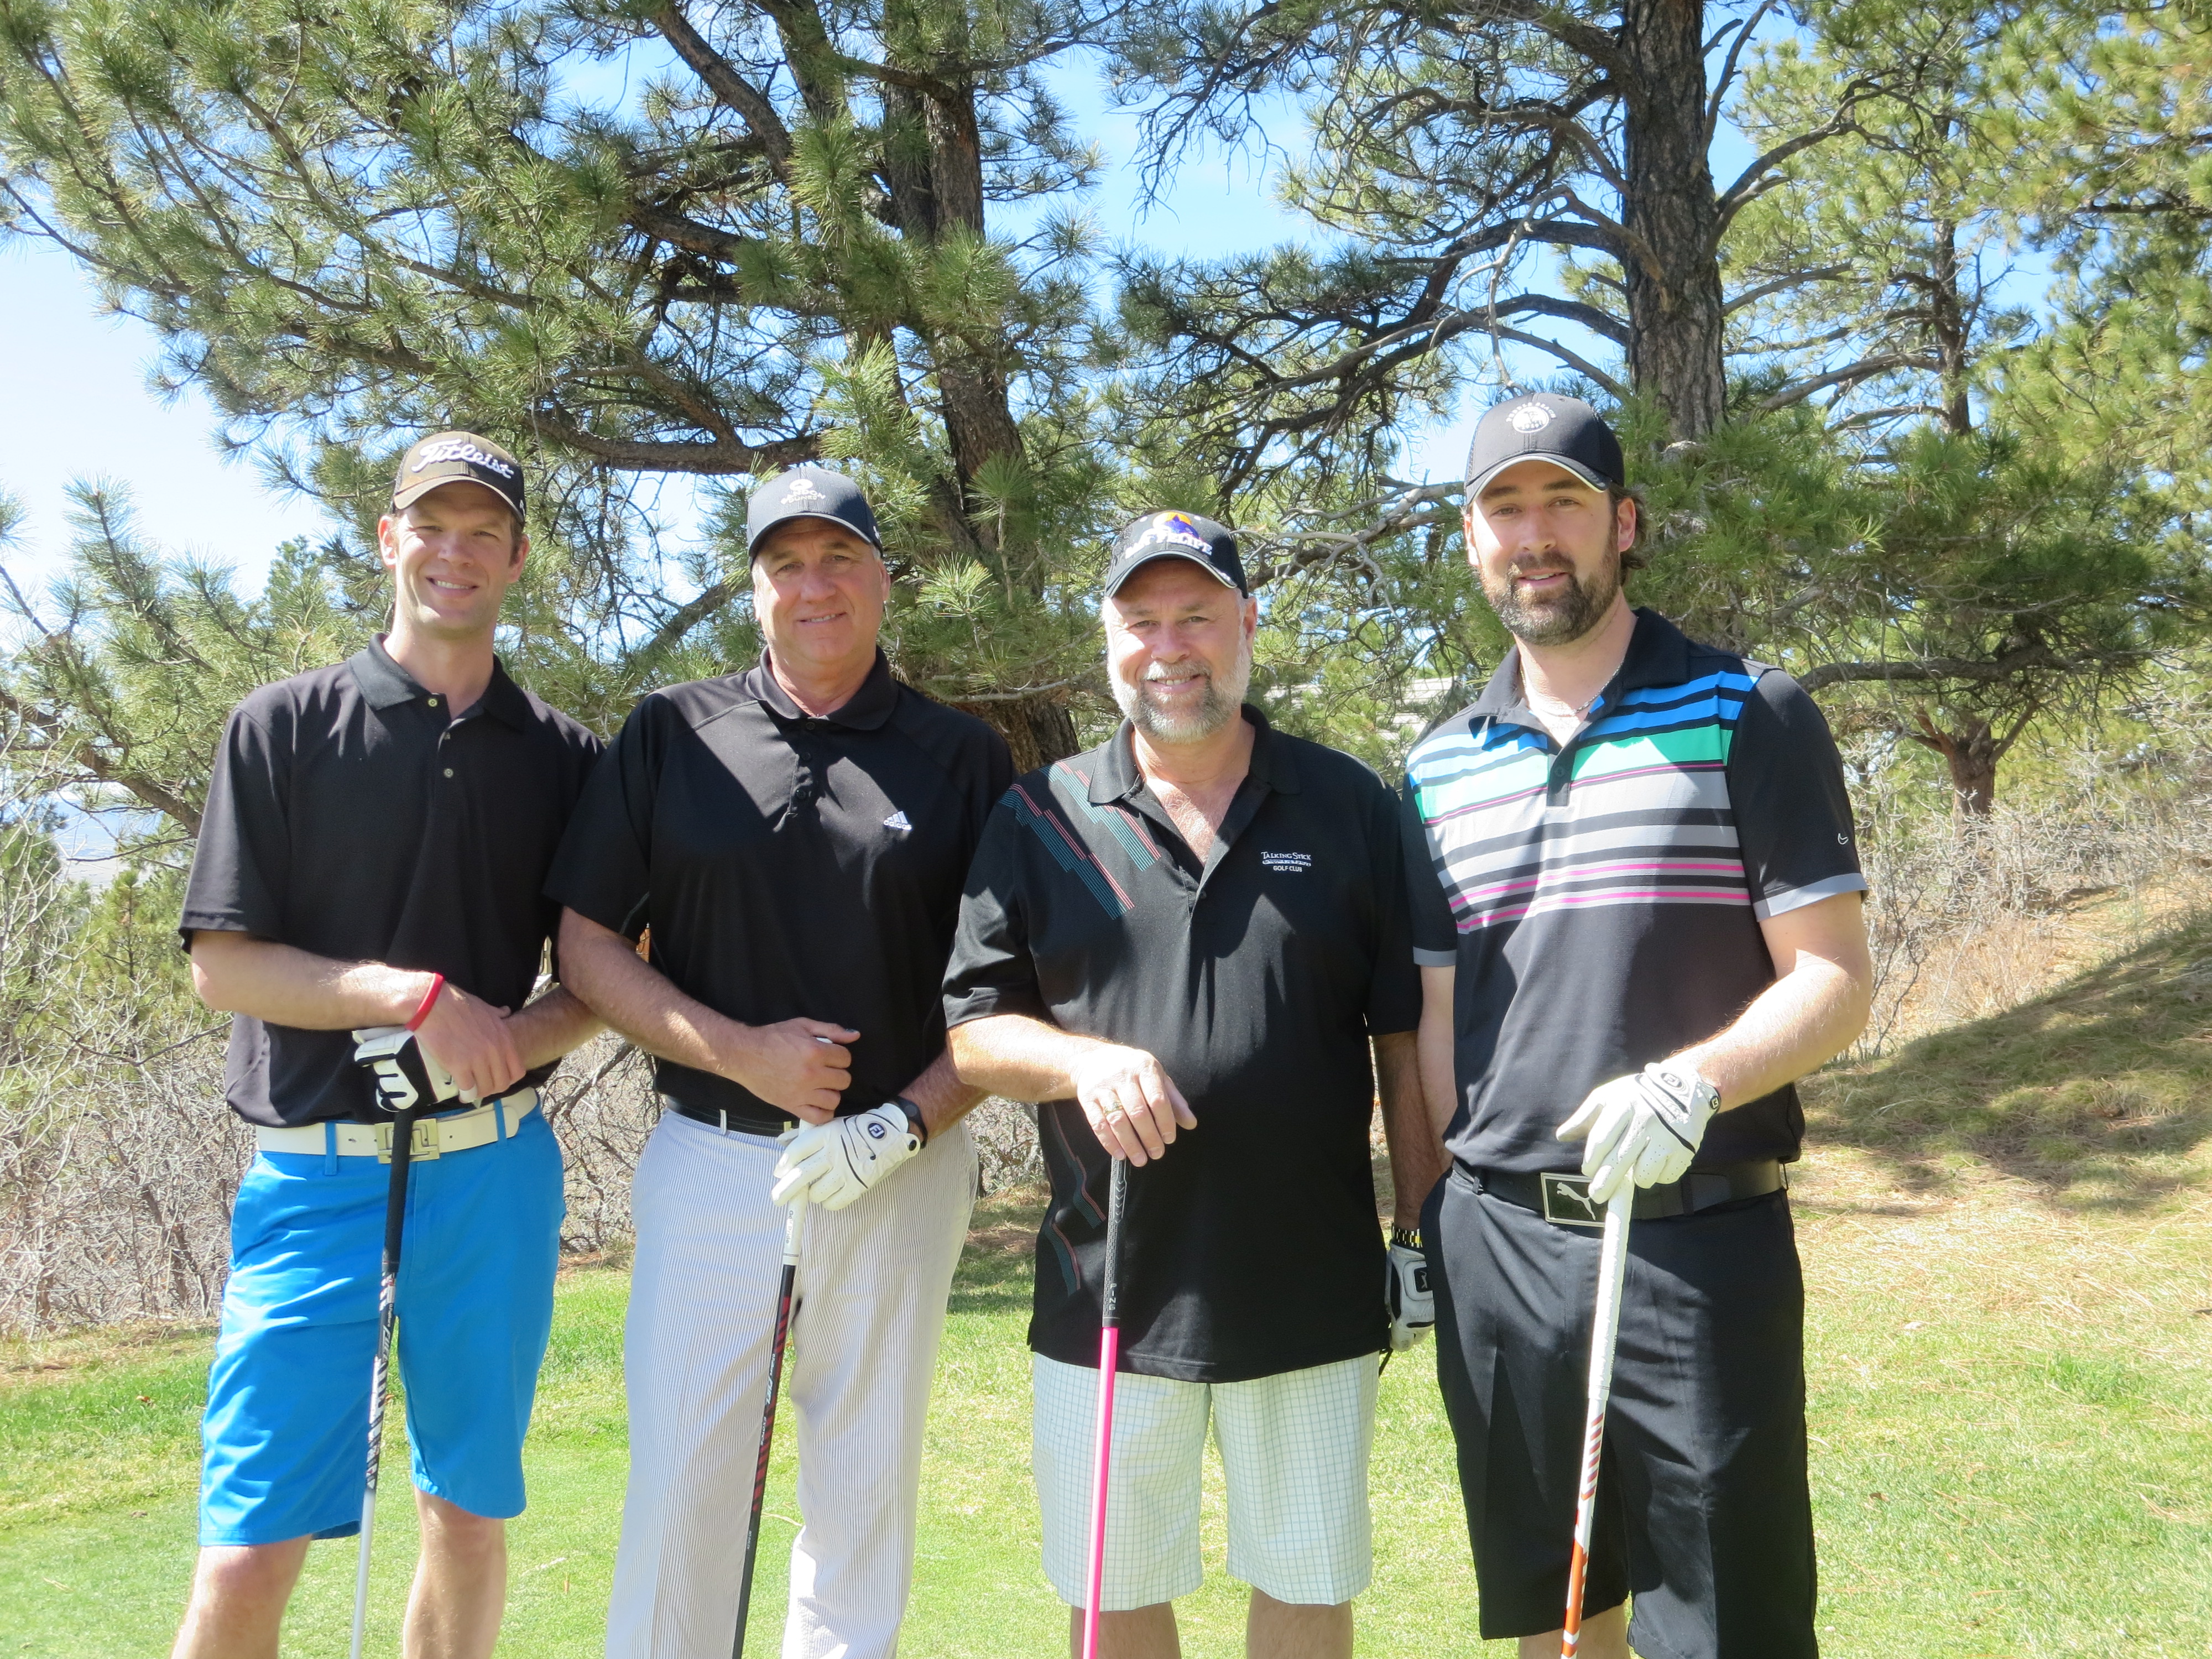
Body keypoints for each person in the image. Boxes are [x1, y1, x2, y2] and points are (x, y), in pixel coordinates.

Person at [1403, 394, 1874, 1659]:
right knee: (1557, 1621)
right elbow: (1437, 1016)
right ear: (1468, 538)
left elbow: (1832, 977)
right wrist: (1433, 1217)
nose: (1533, 535)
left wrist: (1690, 1085)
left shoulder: (1744, 711)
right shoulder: (1439, 764)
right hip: (1499, 1248)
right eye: (1504, 507)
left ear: (1622, 523)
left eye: (1561, 502)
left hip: (1692, 1238)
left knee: (1725, 1622)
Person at [943, 512, 1442, 1659]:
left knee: (1307, 1581)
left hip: (1307, 1281)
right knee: (1112, 1598)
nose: (1170, 647)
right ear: (1108, 640)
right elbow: (971, 1036)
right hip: (1105, 1281)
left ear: (1247, 625)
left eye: (1198, 617)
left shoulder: (1347, 805)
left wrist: (1418, 1228)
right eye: (1142, 621)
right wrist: (1079, 1060)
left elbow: (1402, 1038)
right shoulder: (1039, 815)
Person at [546, 464, 1013, 1659]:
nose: (815, 587)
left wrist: (900, 1123)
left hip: (897, 1169)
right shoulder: (670, 733)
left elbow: (1003, 992)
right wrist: (741, 1054)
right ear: (751, 588)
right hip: (713, 1159)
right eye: (785, 564)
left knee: (862, 1488)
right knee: (685, 1484)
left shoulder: (960, 757)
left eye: (839, 559)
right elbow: (587, 944)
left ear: (882, 581)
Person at [171, 432, 606, 1659]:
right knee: (251, 1545)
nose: (452, 552)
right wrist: (414, 999)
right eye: (431, 525)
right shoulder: (282, 728)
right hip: (316, 1177)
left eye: (482, 532)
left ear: (517, 558)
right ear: (386, 538)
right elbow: (224, 964)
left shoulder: (564, 758)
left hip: (490, 1170)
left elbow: (598, 976)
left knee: (463, 1514)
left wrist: (522, 1036)